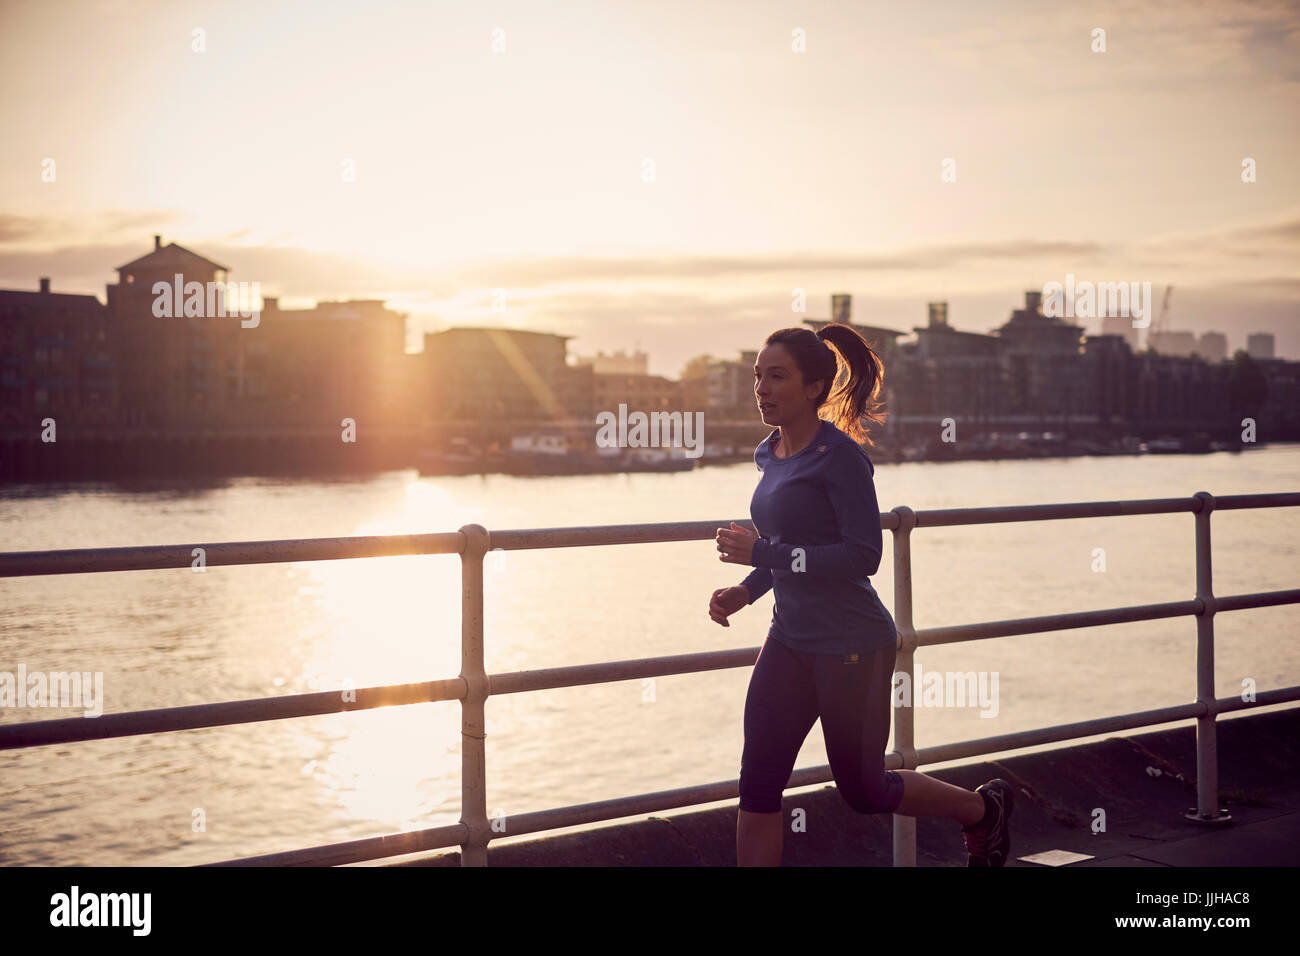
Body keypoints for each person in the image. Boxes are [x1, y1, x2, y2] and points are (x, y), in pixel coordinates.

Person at [709, 324, 1014, 867]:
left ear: (813, 387)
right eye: (757, 376)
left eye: (776, 377)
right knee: (757, 785)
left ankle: (982, 812)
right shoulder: (769, 452)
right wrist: (747, 589)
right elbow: (792, 545)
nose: (761, 388)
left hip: (850, 643)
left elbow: (860, 556)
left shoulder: (841, 458)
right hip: (789, 640)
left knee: (864, 791)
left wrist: (762, 556)